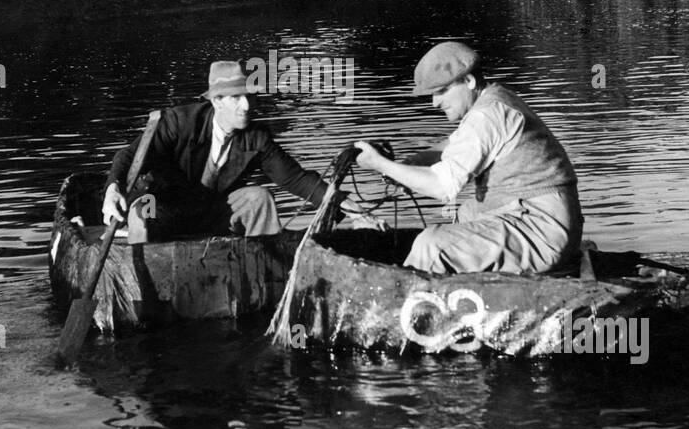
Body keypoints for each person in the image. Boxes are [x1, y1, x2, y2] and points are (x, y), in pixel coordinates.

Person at [354, 41, 582, 275]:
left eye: (442, 91)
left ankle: (402, 304)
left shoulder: (486, 116)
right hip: (545, 220)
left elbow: (441, 188)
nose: (435, 103)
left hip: (544, 230)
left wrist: (381, 164)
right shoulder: (493, 101)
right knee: (465, 213)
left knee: (430, 246)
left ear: (469, 81)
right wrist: (409, 164)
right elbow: (453, 146)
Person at [104, 60, 381, 239]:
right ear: (217, 101)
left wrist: (356, 212)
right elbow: (129, 156)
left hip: (211, 211)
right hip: (166, 208)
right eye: (237, 98)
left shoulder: (256, 137)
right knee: (143, 210)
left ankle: (261, 270)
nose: (247, 106)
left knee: (259, 198)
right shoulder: (179, 122)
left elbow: (299, 180)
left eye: (248, 97)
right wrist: (113, 189)